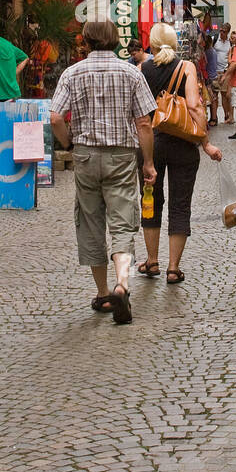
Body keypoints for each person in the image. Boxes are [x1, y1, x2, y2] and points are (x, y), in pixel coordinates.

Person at [50, 20, 157, 326]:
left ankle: (103, 293)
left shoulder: (72, 73)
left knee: (91, 221)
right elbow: (144, 123)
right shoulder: (130, 73)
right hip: (121, 156)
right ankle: (122, 285)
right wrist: (147, 163)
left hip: (85, 155)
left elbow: (56, 117)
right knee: (122, 222)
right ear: (115, 40)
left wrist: (68, 142)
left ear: (85, 41)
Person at [137, 23, 222, 284]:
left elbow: (138, 113)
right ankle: (173, 268)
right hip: (183, 145)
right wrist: (206, 143)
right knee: (180, 204)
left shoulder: (141, 69)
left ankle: (152, 262)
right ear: (176, 44)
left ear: (150, 44)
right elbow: (195, 107)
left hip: (151, 144)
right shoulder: (186, 67)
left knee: (150, 201)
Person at [209, 22, 233, 125]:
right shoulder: (215, 39)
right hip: (215, 71)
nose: (222, 33)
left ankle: (226, 115)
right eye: (221, 30)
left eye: (224, 31)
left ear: (228, 32)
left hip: (225, 71)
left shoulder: (230, 42)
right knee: (214, 95)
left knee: (225, 95)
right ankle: (214, 117)